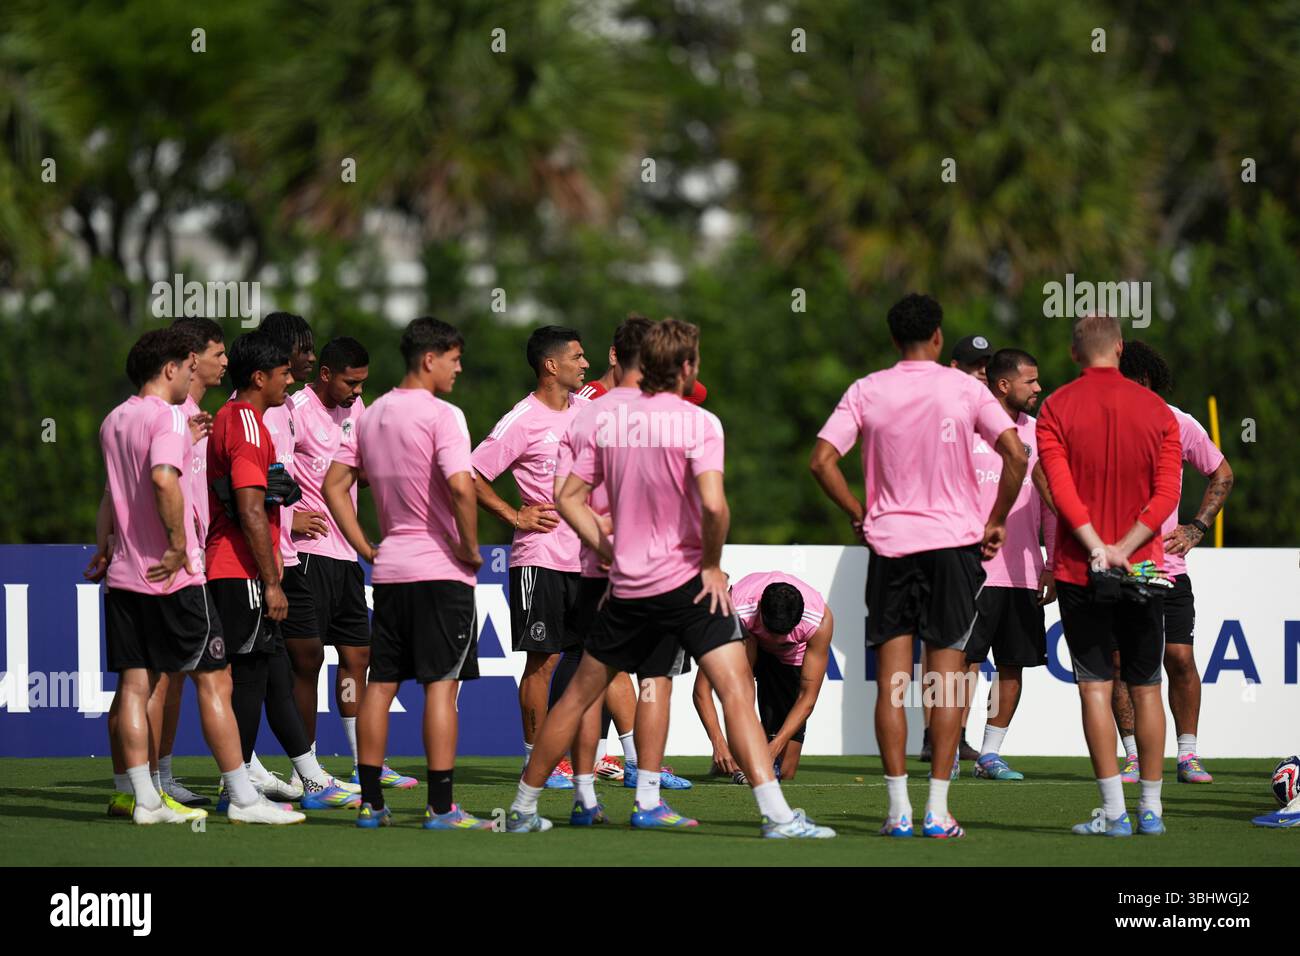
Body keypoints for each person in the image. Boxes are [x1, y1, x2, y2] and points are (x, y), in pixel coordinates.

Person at [508, 318, 835, 838]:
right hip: (685, 582)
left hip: (621, 583)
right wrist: (709, 563)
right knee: (732, 689)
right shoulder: (698, 423)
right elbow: (714, 506)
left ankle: (526, 807)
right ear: (684, 367)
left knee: (577, 695)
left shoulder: (599, 419)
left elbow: (566, 497)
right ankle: (773, 816)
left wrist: (607, 547)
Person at [810, 294, 1026, 839]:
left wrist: (859, 513)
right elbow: (1017, 453)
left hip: (890, 547)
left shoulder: (868, 389)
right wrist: (996, 519)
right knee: (947, 683)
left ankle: (897, 811)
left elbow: (821, 460)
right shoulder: (964, 388)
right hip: (953, 547)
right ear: (937, 338)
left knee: (891, 684)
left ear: (892, 341)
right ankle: (937, 810)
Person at [94, 327, 302, 825]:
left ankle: (143, 797)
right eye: (189, 365)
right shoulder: (166, 414)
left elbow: (112, 492)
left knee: (134, 685)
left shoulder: (113, 420)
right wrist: (175, 545)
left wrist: (104, 545)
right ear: (169, 369)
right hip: (174, 573)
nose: (196, 372)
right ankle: (243, 798)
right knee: (216, 680)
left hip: (125, 572)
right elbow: (164, 478)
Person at [324, 317, 491, 829]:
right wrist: (469, 547)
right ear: (429, 359)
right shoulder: (445, 415)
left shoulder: (368, 417)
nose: (459, 368)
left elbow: (334, 486)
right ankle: (441, 808)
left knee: (382, 684)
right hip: (440, 570)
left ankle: (371, 805)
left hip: (392, 569)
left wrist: (364, 546)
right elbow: (462, 489)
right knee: (441, 687)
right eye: (454, 359)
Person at [1036, 315, 1182, 837]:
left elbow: (1060, 488)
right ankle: (1153, 811)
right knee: (1147, 688)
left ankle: (1116, 814)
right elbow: (1167, 496)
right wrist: (1125, 547)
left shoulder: (1055, 407)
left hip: (1082, 568)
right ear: (1120, 349)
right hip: (1144, 566)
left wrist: (1099, 547)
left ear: (1076, 355)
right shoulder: (1158, 411)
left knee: (1095, 689)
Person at [205, 329, 357, 810]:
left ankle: (304, 778)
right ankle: (240, 792)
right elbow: (248, 509)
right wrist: (272, 580)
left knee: (270, 672)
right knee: (248, 679)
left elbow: (254, 498)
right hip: (243, 567)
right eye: (284, 372)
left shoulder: (242, 418)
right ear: (259, 376)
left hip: (248, 565)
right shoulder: (247, 422)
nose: (290, 381)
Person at [471, 326, 590, 789]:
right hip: (539, 559)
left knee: (593, 660)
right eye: (578, 357)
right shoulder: (521, 419)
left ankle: (599, 758)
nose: (585, 364)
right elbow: (471, 472)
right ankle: (535, 760)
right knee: (543, 662)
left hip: (588, 559)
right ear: (551, 365)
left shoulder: (588, 411)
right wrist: (512, 515)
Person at [1110, 341, 1233, 785]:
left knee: (1179, 658)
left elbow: (1222, 473)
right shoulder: (1105, 424)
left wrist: (1197, 527)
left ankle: (1187, 755)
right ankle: (1133, 756)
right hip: (1120, 563)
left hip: (1168, 566)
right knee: (1122, 663)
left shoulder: (1179, 423)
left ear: (1142, 380)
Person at [967, 348, 1057, 781]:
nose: (1039, 389)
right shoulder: (966, 429)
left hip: (1023, 570)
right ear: (1004, 385)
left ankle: (989, 753)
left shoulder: (1041, 435)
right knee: (961, 665)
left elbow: (1050, 507)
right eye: (1031, 381)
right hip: (970, 572)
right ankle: (950, 748)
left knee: (1012, 664)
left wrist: (1053, 562)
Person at [693, 572, 833, 782]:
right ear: (760, 612)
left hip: (789, 659)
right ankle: (735, 750)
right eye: (771, 630)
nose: (776, 641)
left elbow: (807, 698)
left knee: (784, 772)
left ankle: (751, 749)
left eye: (783, 635)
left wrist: (772, 749)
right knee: (745, 656)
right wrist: (719, 743)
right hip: (749, 641)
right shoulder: (735, 609)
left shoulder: (819, 621)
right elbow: (701, 690)